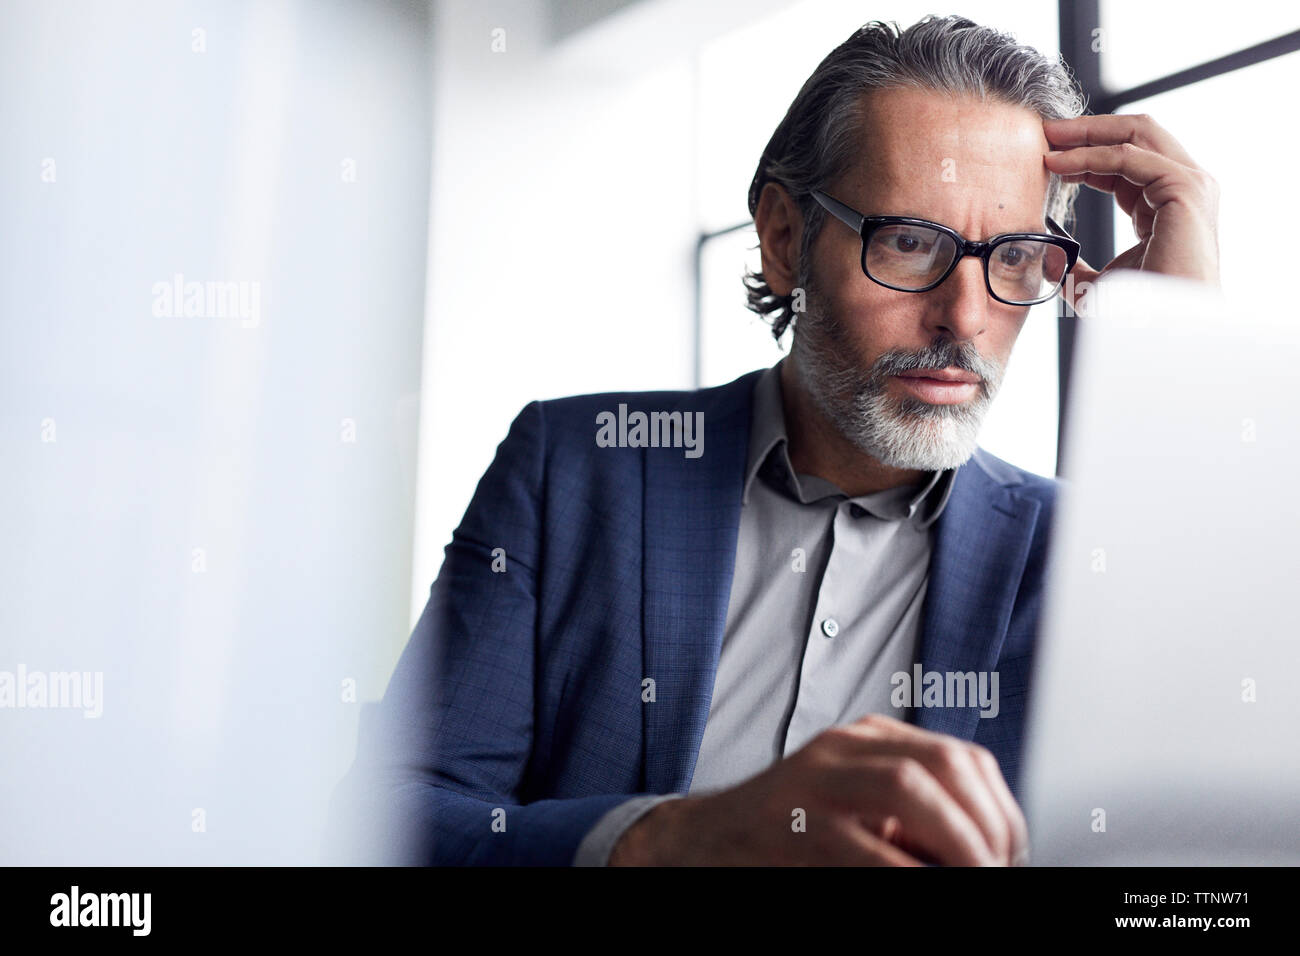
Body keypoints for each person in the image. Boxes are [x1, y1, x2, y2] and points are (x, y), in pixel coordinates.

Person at [329, 14, 1218, 866]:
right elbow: (392, 820)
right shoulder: (573, 469)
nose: (966, 317)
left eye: (1016, 256)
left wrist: (1175, 373)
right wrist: (671, 844)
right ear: (786, 240)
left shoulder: (1100, 557)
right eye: (911, 243)